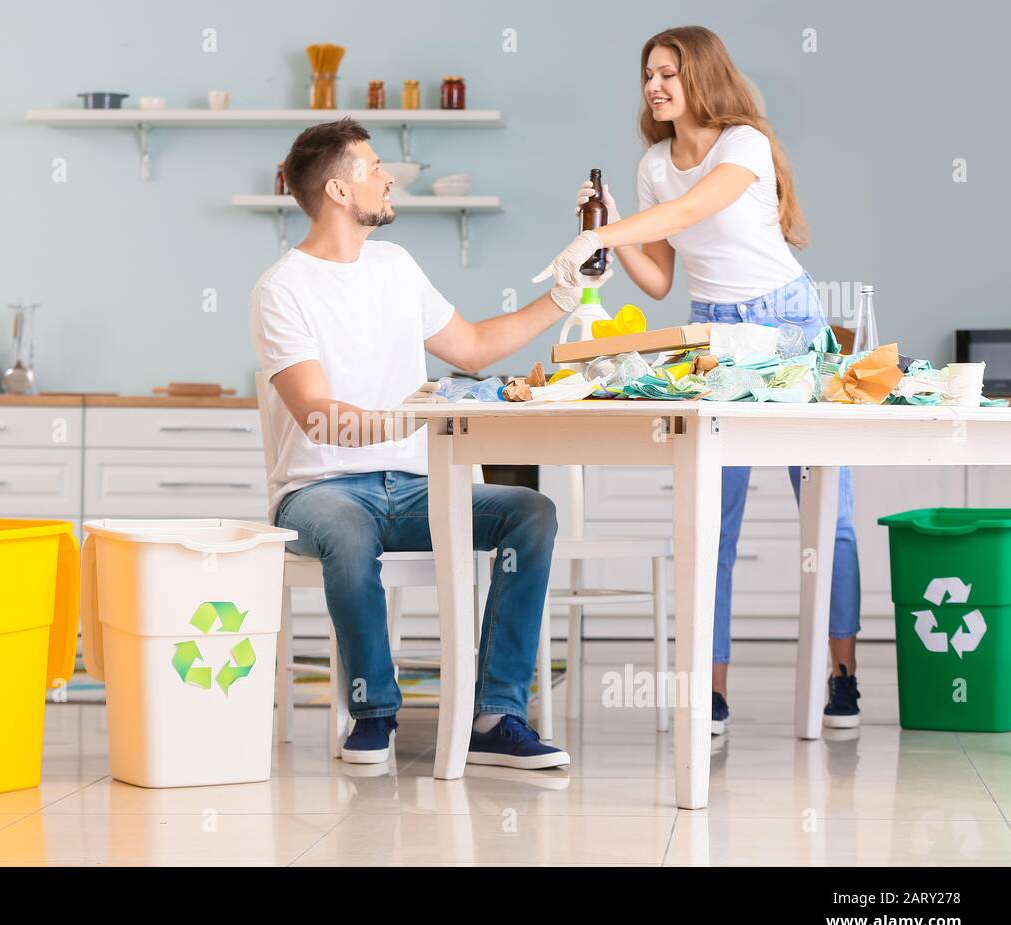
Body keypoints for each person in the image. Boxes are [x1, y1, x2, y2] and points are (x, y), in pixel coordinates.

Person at [534, 25, 862, 735]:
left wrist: (599, 236)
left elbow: (692, 210)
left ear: (701, 78)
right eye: (648, 73)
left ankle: (842, 674)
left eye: (669, 74)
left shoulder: (744, 143)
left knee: (826, 514)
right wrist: (616, 223)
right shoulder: (654, 164)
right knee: (712, 516)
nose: (654, 85)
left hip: (789, 328)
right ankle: (711, 691)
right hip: (713, 335)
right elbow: (657, 280)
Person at [250, 118, 607, 767]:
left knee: (530, 513)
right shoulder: (282, 289)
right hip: (320, 492)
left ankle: (496, 714)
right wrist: (418, 415)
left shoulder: (395, 266)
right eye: (374, 166)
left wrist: (564, 293)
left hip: (416, 487)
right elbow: (317, 417)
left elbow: (470, 347)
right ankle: (373, 711)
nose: (388, 177)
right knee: (348, 533)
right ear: (337, 189)